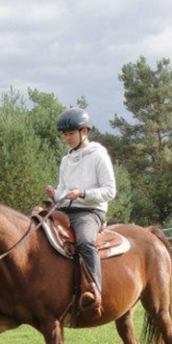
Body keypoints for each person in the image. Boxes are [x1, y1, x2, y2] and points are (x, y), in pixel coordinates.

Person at [45, 107, 117, 314]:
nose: (66, 138)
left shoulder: (98, 155)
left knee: (85, 241)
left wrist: (83, 193)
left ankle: (96, 290)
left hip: (90, 211)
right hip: (65, 210)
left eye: (70, 133)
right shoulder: (66, 160)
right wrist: (54, 195)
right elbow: (62, 192)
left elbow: (110, 191)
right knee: (38, 231)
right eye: (64, 134)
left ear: (84, 132)